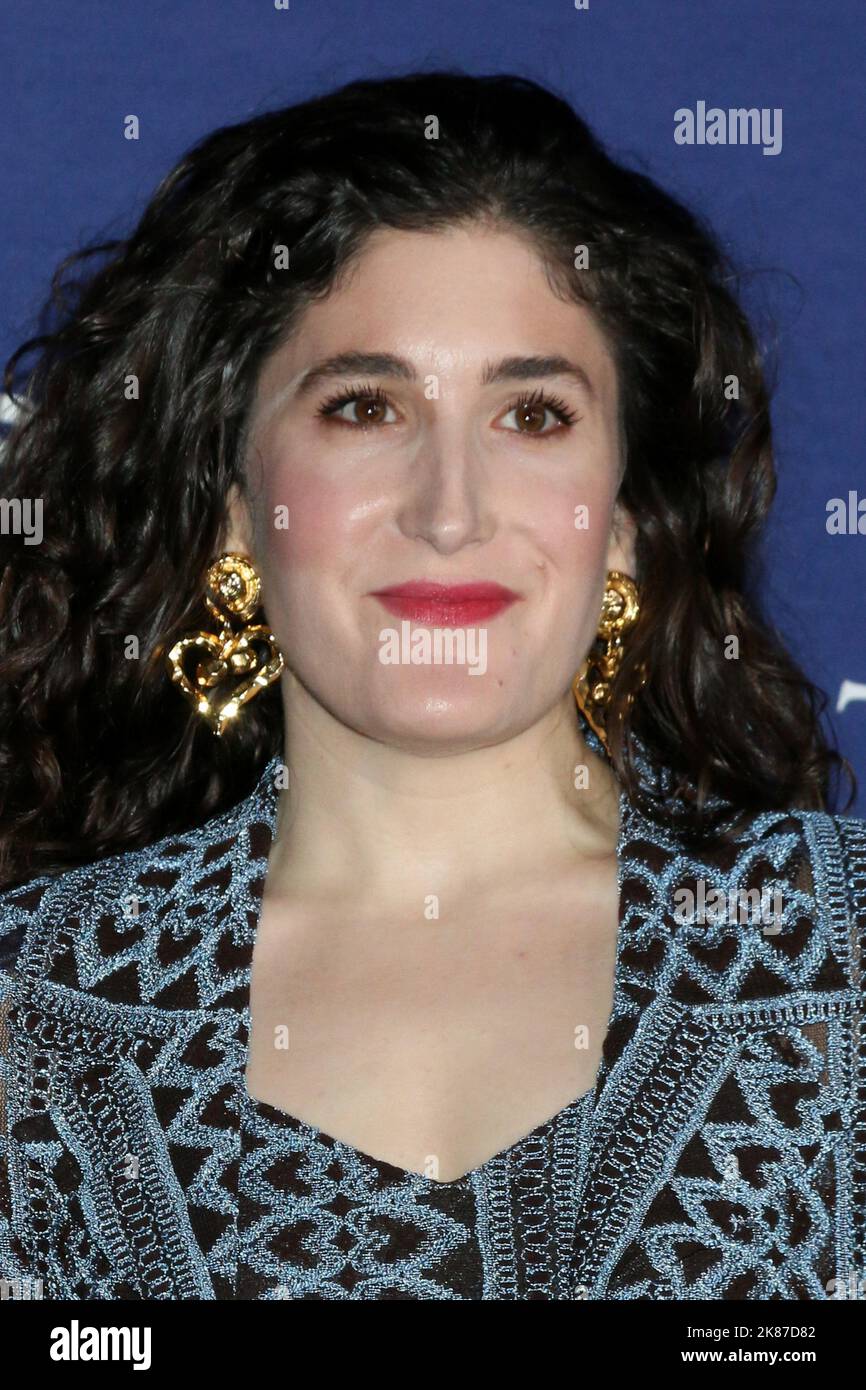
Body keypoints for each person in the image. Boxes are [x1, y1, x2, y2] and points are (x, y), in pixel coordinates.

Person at [0, 70, 863, 1302]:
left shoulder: (836, 950)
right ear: (236, 511)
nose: (449, 511)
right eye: (365, 406)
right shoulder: (38, 1007)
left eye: (532, 415)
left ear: (622, 521)